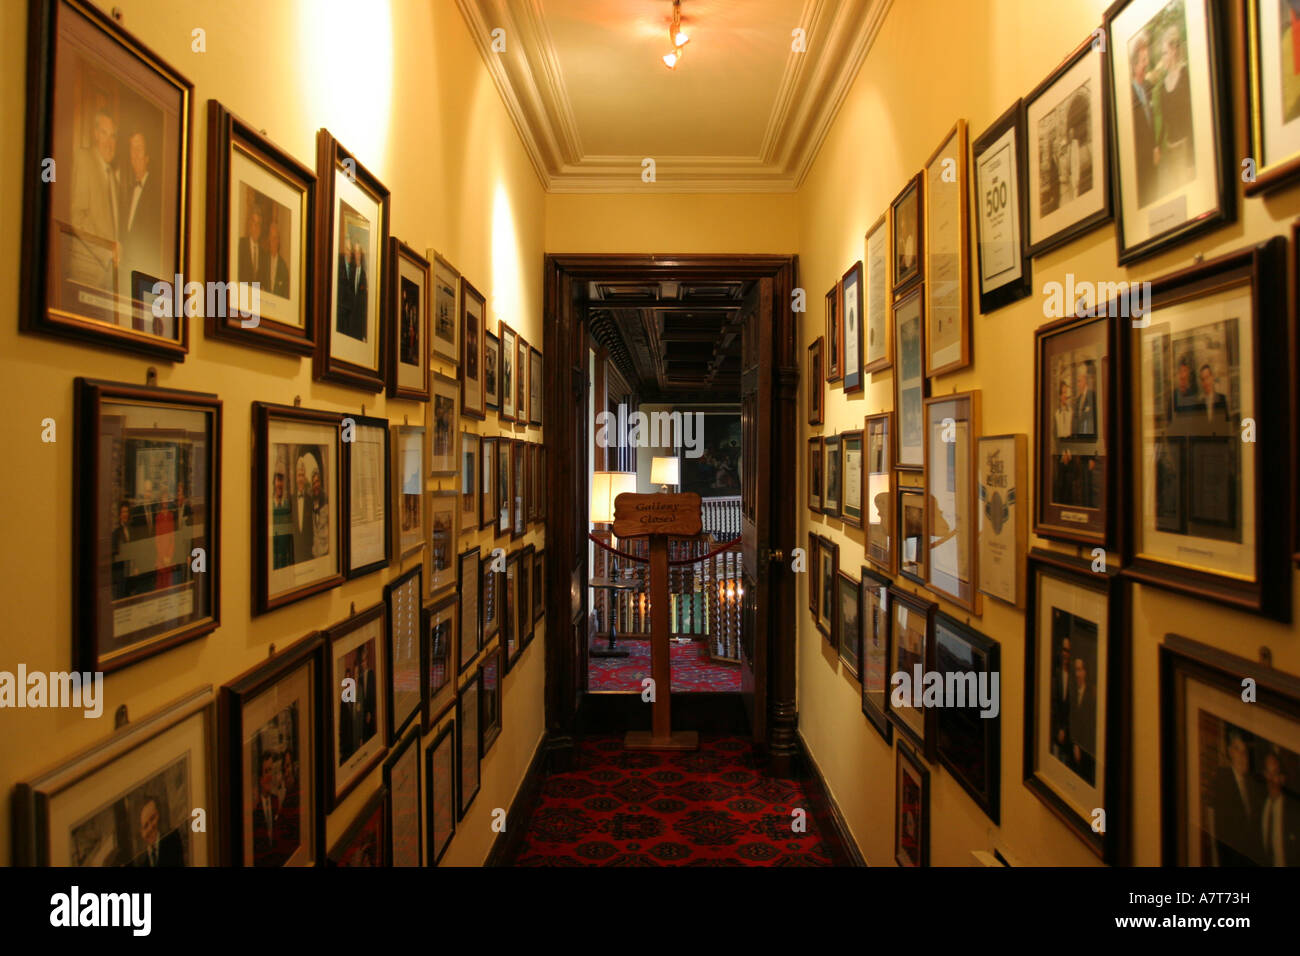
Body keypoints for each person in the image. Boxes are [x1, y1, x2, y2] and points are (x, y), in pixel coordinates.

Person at [68, 110, 121, 290]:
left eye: (113, 136)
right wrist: (107, 251)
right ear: (95, 134)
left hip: (108, 277)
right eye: (104, 134)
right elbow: (77, 218)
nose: (109, 142)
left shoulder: (112, 177)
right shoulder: (83, 159)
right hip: (86, 273)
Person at [120, 131, 161, 316]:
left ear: (147, 157)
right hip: (125, 272)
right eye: (131, 149)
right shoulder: (127, 192)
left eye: (139, 149)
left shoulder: (157, 191)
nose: (134, 155)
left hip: (146, 276)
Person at [1154, 26, 1195, 200]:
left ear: (1173, 50)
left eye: (1164, 53)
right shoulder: (1162, 87)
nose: (1163, 58)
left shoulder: (1186, 76)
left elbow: (1190, 118)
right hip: (1171, 149)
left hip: (1186, 146)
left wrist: (1191, 159)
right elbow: (1163, 119)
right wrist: (1157, 146)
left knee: (1189, 192)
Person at [1211, 731, 1263, 866]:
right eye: (1237, 749)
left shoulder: (1253, 785)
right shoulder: (1223, 781)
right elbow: (1221, 833)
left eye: (1245, 751)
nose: (1242, 756)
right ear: (1230, 752)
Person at [1129, 31, 1158, 207]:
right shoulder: (1127, 94)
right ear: (1134, 65)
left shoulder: (1148, 86)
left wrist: (1155, 146)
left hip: (1153, 156)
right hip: (1139, 163)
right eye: (1142, 60)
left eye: (1147, 59)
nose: (1146, 64)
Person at [1259, 750, 1300, 866]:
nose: (1271, 779)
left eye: (1275, 773)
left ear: (1282, 778)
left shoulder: (1294, 812)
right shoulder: (1259, 806)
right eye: (1268, 773)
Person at [127, 795, 185, 867]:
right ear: (141, 832)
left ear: (159, 815)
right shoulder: (140, 861)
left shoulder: (172, 839)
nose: (151, 827)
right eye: (145, 826)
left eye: (152, 818)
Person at [1068, 655, 1096, 784]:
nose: (1078, 674)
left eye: (1080, 670)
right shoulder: (1073, 693)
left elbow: (1090, 726)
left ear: (1085, 672)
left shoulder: (1092, 695)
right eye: (1075, 670)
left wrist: (1079, 745)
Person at [252, 751, 283, 866]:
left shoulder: (276, 801)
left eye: (271, 770)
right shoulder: (255, 808)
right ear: (260, 778)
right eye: (266, 771)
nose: (270, 776)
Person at [1051, 632, 1072, 764]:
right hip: (1054, 734)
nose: (1066, 654)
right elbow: (1053, 704)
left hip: (1068, 738)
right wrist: (1058, 729)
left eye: (1069, 651)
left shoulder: (1074, 679)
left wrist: (1065, 729)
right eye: (1064, 650)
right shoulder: (1055, 674)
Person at [238, 203, 270, 291]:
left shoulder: (264, 254)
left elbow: (265, 283)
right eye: (254, 223)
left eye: (259, 224)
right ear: (249, 224)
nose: (256, 227)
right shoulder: (240, 245)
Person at [291, 454, 315, 565]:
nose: (300, 479)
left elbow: (312, 527)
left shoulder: (310, 501)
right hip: (294, 554)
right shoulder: (291, 501)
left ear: (305, 478)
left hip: (307, 554)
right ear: (296, 478)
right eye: (298, 475)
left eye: (302, 475)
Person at [111, 501, 133, 599]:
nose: (125, 514)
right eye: (123, 512)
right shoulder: (116, 532)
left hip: (131, 569)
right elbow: (114, 552)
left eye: (127, 512)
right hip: (121, 571)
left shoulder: (131, 529)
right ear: (120, 515)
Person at [271, 471, 293, 569]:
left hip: (285, 558)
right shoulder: (270, 507)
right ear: (273, 485)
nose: (279, 485)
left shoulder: (287, 505)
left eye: (281, 482)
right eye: (277, 481)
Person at [335, 231, 355, 337]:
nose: (348, 253)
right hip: (340, 312)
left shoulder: (353, 268)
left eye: (350, 250)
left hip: (350, 314)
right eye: (346, 250)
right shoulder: (338, 266)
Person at [1071, 361, 1097, 438]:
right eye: (1077, 381)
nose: (1078, 384)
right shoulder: (1078, 400)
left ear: (1085, 380)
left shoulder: (1092, 396)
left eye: (1079, 381)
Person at [358, 644, 376, 747]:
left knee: (370, 731)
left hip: (369, 709)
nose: (363, 663)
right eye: (362, 661)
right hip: (363, 709)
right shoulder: (360, 678)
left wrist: (370, 711)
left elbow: (372, 693)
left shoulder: (371, 674)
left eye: (364, 661)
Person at [267, 217, 290, 298]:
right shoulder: (262, 261)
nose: (274, 241)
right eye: (272, 237)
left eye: (276, 238)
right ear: (268, 239)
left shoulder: (283, 267)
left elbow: (286, 295)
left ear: (279, 240)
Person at [311, 465, 329, 559]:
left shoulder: (326, 501)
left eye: (317, 481)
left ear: (320, 482)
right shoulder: (312, 502)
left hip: (326, 551)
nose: (315, 485)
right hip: (315, 553)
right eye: (313, 483)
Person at [339, 664, 356, 762]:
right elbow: (342, 722)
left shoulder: (354, 696)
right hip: (347, 739)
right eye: (347, 680)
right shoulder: (343, 700)